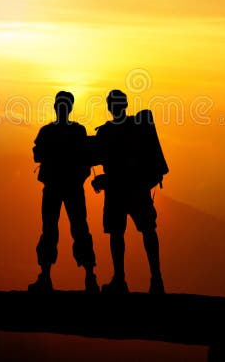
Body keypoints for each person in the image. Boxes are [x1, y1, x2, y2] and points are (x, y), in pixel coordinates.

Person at [94, 89, 165, 294]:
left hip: (118, 190)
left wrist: (102, 180)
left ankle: (121, 280)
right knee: (145, 230)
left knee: (119, 233)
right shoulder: (137, 128)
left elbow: (97, 156)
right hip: (137, 188)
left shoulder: (106, 132)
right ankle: (155, 279)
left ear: (111, 107)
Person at [29, 91, 98, 293]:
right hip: (69, 187)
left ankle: (50, 276)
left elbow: (37, 155)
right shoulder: (76, 131)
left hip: (58, 187)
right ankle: (88, 277)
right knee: (73, 229)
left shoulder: (49, 132)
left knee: (60, 230)